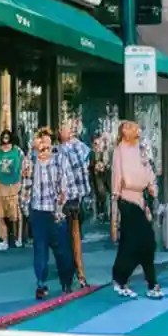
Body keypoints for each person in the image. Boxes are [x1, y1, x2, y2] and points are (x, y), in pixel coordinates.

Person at [26, 128, 85, 300]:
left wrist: (64, 198)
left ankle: (66, 282)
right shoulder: (30, 161)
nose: (43, 147)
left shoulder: (60, 159)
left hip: (56, 211)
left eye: (46, 142)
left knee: (62, 250)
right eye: (40, 142)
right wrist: (25, 208)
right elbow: (26, 185)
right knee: (40, 250)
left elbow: (69, 184)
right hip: (38, 210)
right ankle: (40, 283)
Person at [110, 120, 162, 299]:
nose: (133, 129)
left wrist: (152, 187)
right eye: (128, 127)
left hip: (141, 199)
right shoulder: (119, 151)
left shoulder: (142, 148)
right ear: (123, 132)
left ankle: (144, 282)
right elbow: (116, 177)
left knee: (142, 243)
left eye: (133, 126)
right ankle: (125, 278)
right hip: (126, 199)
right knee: (138, 242)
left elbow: (148, 169)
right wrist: (114, 210)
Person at [56, 122, 92, 287]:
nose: (67, 131)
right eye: (64, 128)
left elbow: (86, 160)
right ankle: (77, 273)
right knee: (71, 236)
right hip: (69, 197)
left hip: (75, 196)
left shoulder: (74, 146)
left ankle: (78, 273)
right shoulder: (60, 150)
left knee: (73, 235)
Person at [0, 130, 24, 250]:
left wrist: (22, 184)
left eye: (7, 136)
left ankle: (18, 237)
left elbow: (22, 167)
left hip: (14, 185)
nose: (5, 139)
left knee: (15, 213)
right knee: (0, 214)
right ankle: (4, 239)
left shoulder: (17, 151)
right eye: (3, 137)